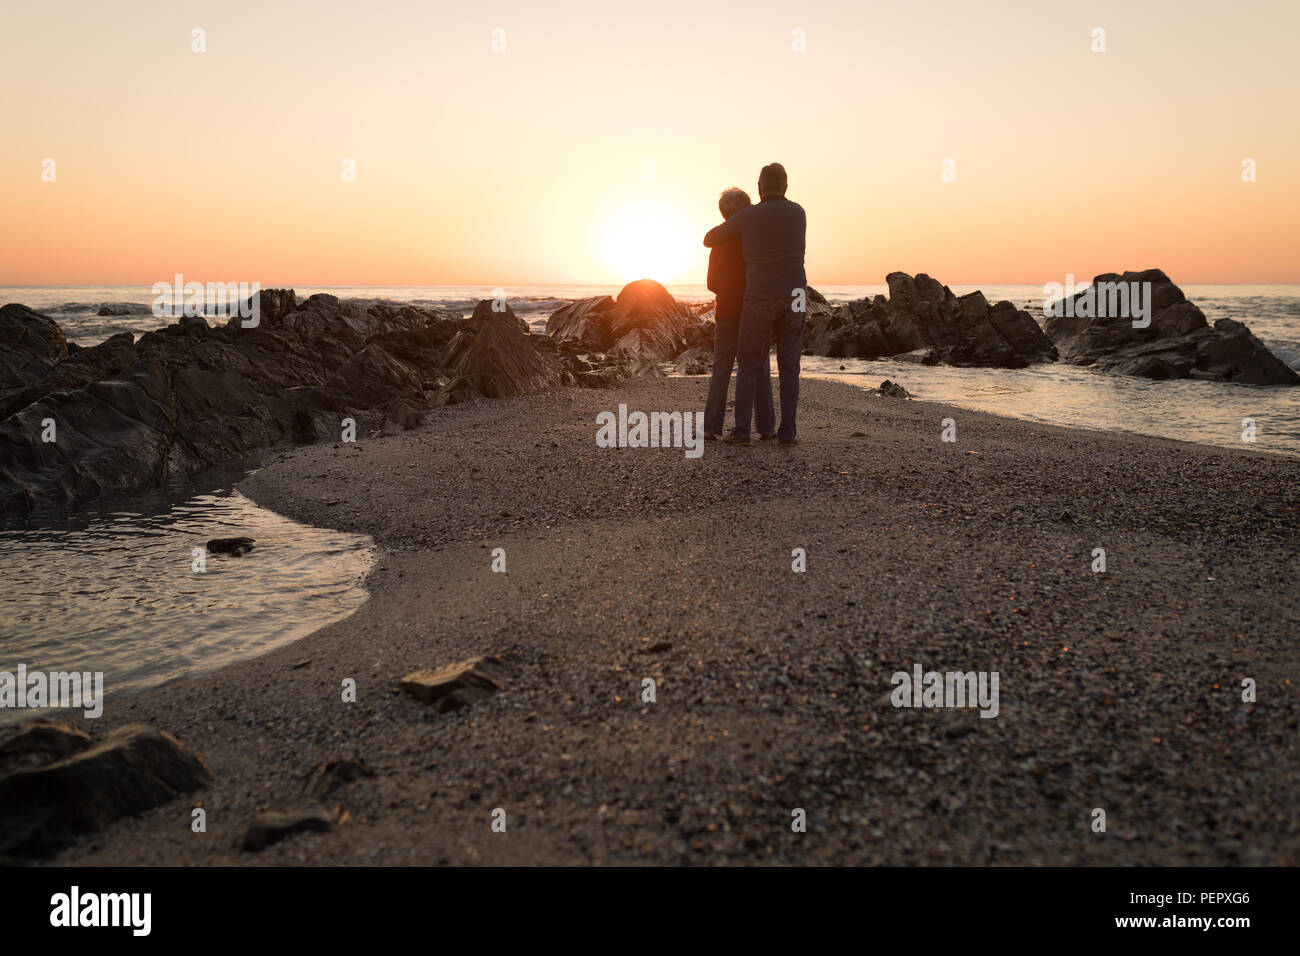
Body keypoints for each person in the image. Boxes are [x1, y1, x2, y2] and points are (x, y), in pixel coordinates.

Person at [702, 163, 807, 445]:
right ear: (786, 187)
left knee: (748, 364)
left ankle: (741, 431)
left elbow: (709, 238)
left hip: (760, 296)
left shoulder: (748, 216)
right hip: (796, 296)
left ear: (759, 189)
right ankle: (787, 432)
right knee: (789, 365)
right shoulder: (799, 213)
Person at [703, 187, 775, 440]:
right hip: (754, 308)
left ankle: (711, 427)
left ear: (724, 214)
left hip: (727, 309)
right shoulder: (756, 240)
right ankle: (766, 428)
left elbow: (711, 283)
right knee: (759, 367)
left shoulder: (719, 243)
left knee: (721, 368)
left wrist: (728, 289)